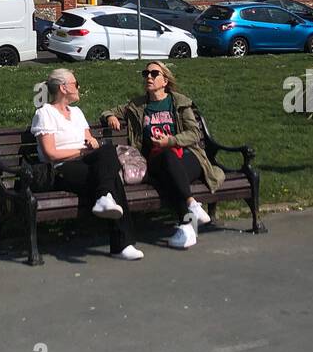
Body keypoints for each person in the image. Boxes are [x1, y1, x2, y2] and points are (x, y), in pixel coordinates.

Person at [103, 61, 224, 250]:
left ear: (165, 80)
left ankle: (187, 226)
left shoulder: (179, 102)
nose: (148, 77)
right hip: (155, 160)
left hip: (188, 156)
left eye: (154, 73)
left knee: (169, 172)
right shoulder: (137, 105)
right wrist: (110, 116)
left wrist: (171, 141)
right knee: (167, 162)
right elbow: (109, 111)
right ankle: (192, 207)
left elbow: (194, 133)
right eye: (146, 74)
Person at [30, 69, 143, 261]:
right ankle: (121, 243)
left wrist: (92, 143)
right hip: (61, 167)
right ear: (63, 88)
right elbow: (51, 153)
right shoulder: (44, 113)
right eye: (76, 83)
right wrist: (82, 151)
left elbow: (89, 138)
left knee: (107, 150)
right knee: (112, 179)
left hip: (85, 160)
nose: (79, 87)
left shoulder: (77, 112)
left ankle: (105, 198)